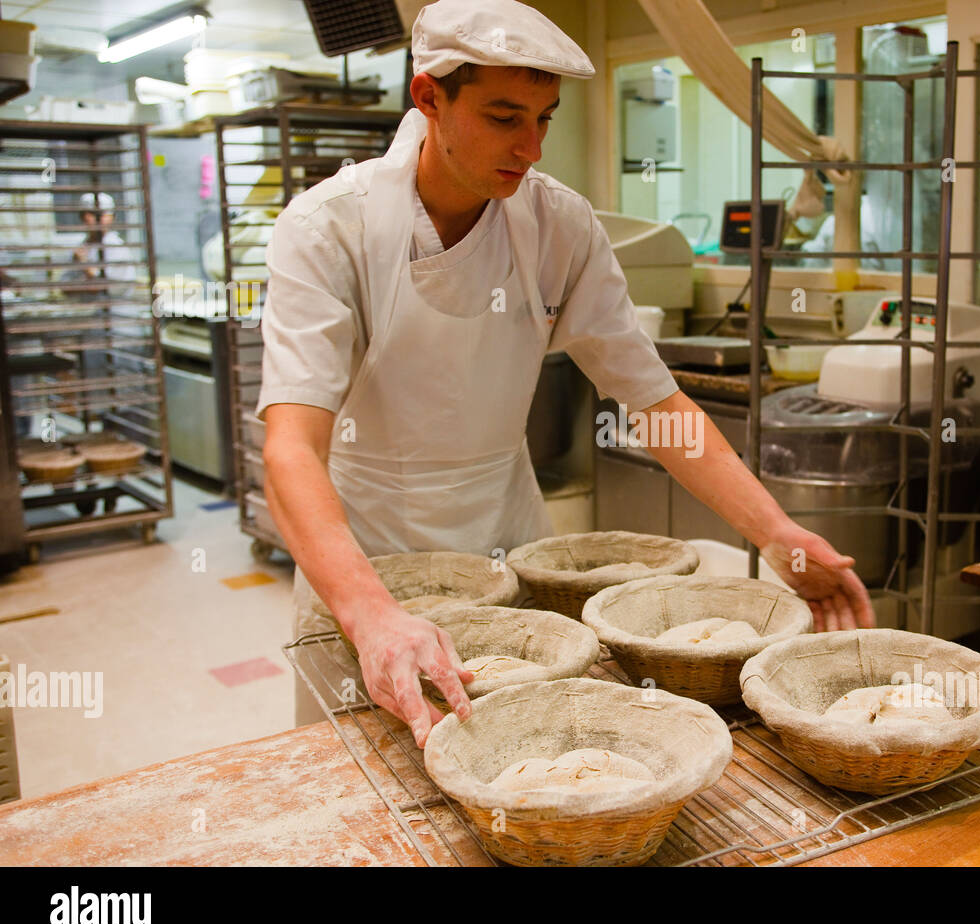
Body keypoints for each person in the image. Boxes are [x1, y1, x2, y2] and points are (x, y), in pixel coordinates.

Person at [258, 0, 875, 746]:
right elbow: (291, 448)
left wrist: (778, 535)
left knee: (509, 760)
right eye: (503, 116)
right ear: (429, 98)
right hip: (362, 561)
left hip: (504, 545)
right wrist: (374, 615)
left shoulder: (558, 225)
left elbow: (654, 402)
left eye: (544, 118)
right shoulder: (328, 228)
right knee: (361, 796)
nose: (531, 147)